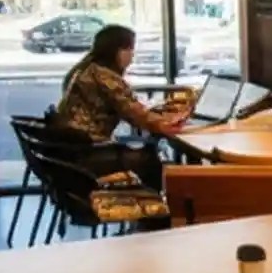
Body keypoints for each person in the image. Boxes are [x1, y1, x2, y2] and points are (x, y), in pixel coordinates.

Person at [55, 25, 185, 192]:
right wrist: (170, 122)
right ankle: (158, 213)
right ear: (116, 50)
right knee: (149, 161)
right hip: (88, 153)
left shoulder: (86, 69)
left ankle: (154, 212)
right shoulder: (104, 76)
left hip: (72, 151)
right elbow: (135, 114)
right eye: (129, 49)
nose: (132, 54)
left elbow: (129, 108)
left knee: (146, 157)